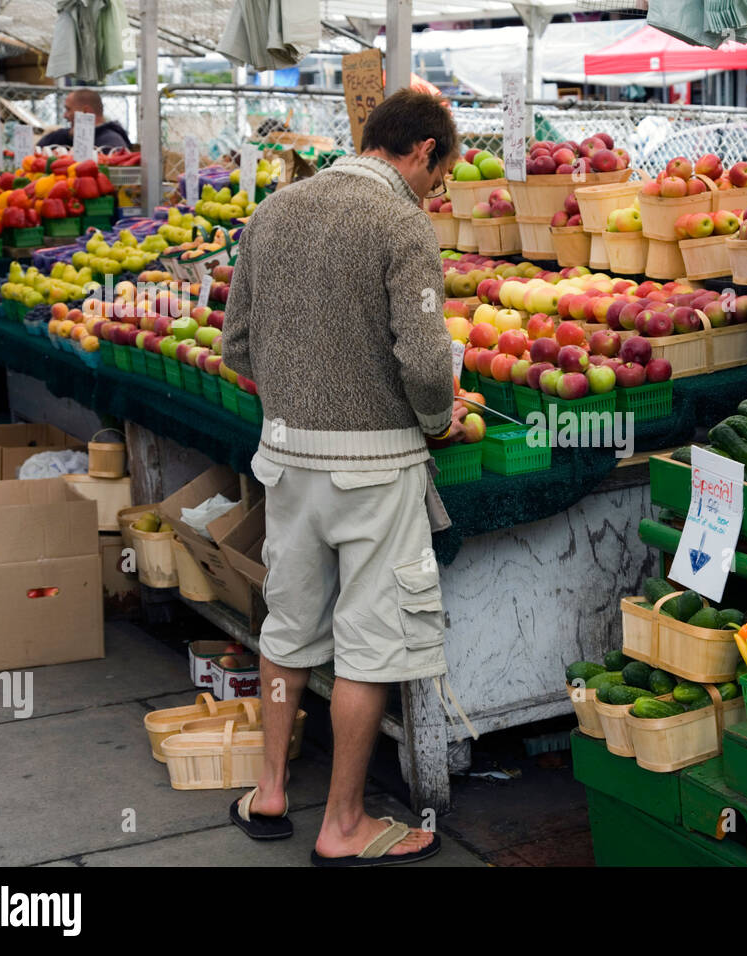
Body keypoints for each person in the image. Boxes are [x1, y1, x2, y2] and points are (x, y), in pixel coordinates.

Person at [222, 89, 462, 866]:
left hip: (286, 460)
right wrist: (437, 416)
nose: (439, 188)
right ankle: (344, 823)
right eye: (441, 170)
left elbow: (236, 346)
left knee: (286, 627)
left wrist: (299, 392)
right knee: (370, 646)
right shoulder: (402, 223)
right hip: (377, 468)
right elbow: (428, 365)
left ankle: (267, 792)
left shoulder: (276, 210)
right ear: (422, 149)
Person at [37, 89, 131, 151]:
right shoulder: (64, 135)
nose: (65, 115)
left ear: (86, 112)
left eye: (68, 109)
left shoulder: (111, 142)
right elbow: (38, 148)